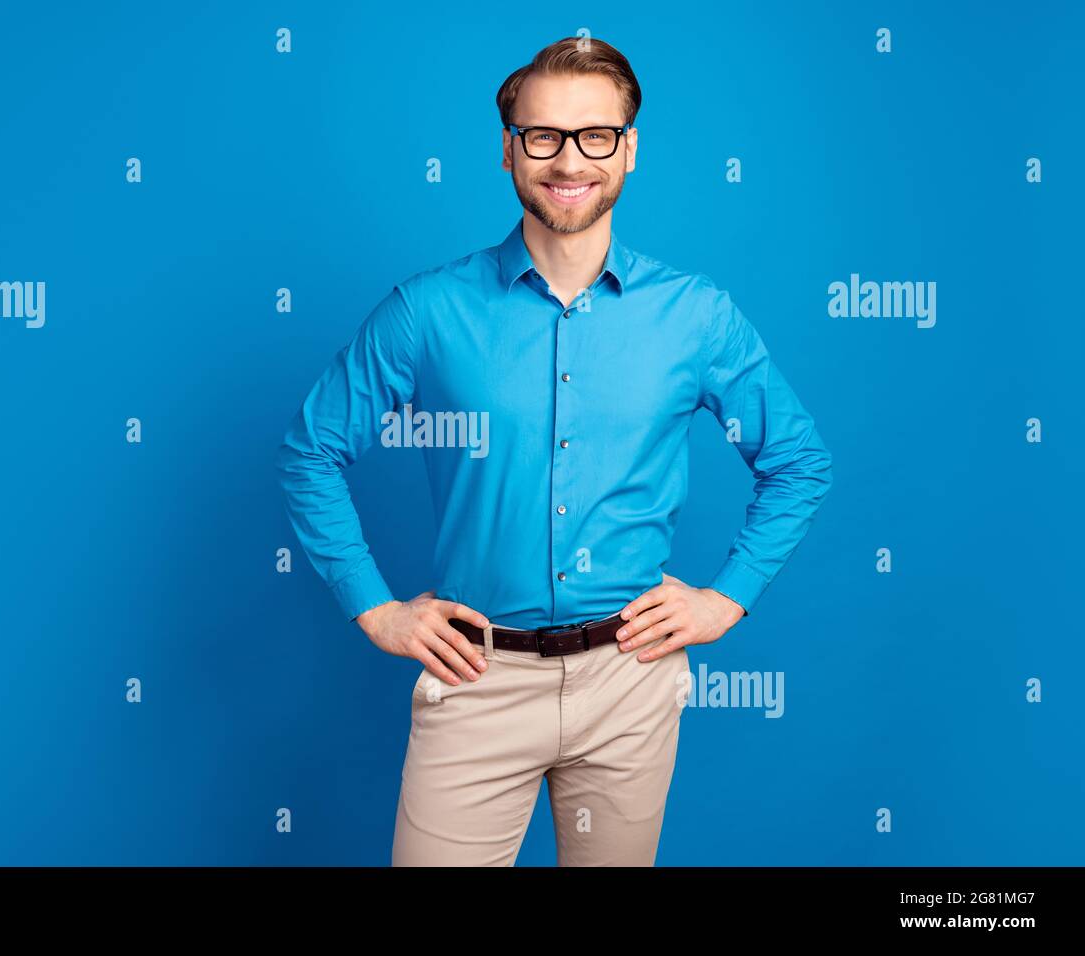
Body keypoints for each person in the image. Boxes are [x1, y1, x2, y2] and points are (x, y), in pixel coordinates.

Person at [275, 36, 833, 866]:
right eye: (543, 136)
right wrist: (377, 608)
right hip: (478, 680)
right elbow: (310, 451)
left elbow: (798, 460)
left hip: (631, 681)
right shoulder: (427, 312)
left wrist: (728, 597)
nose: (568, 159)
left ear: (628, 148)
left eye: (594, 135)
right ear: (508, 150)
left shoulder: (695, 315)